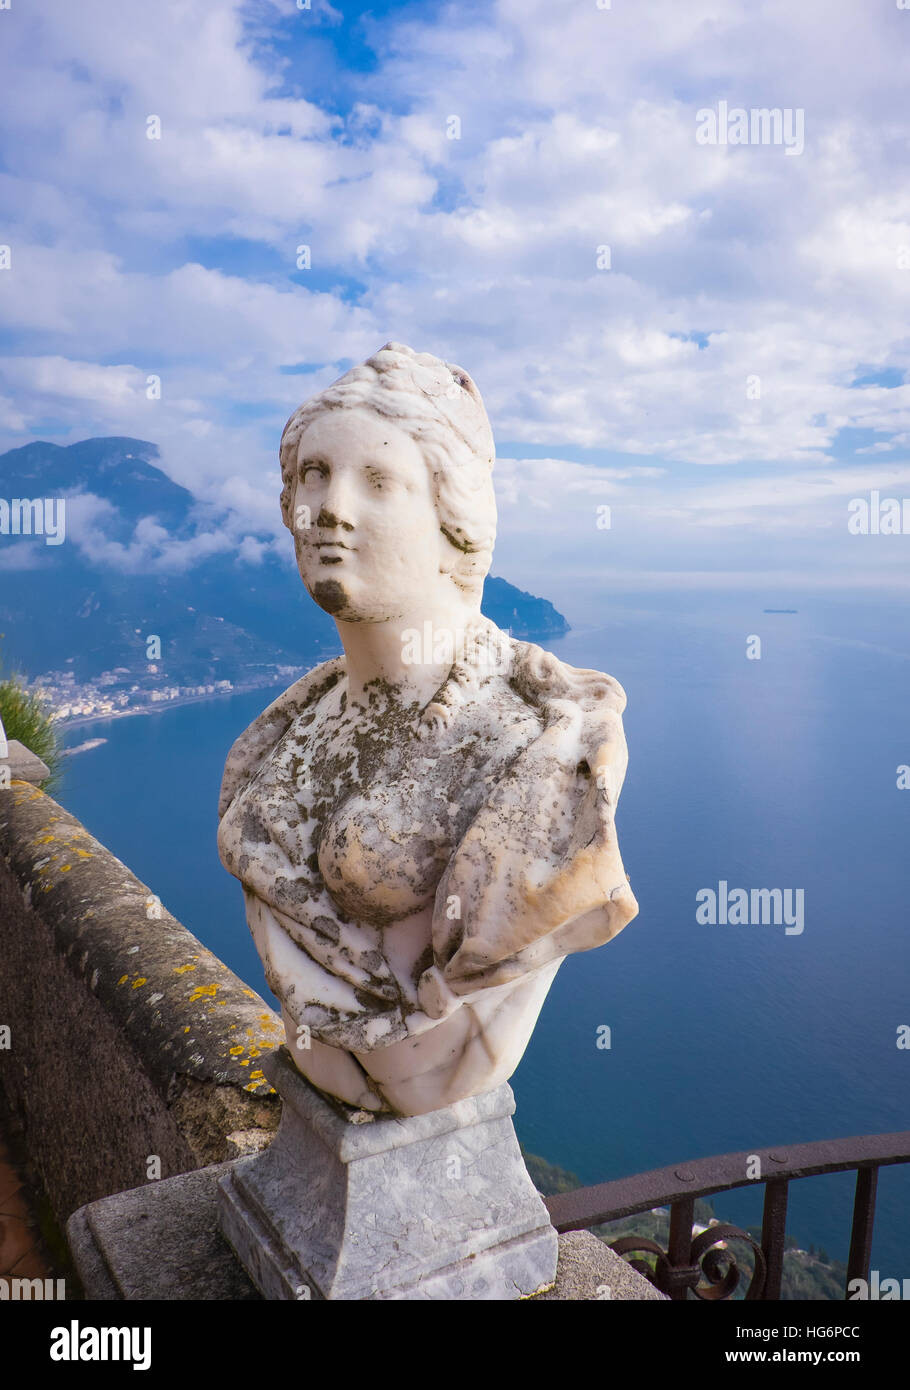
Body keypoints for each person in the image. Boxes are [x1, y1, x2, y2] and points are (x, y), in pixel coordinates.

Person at [217, 343, 638, 1116]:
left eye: (378, 481)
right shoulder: (281, 736)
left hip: (430, 1089)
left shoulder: (540, 750)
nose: (330, 508)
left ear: (456, 521)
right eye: (315, 474)